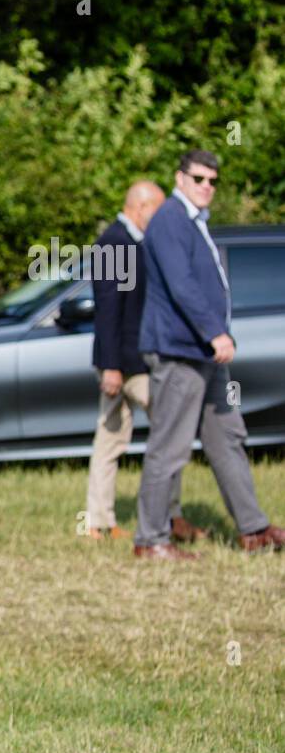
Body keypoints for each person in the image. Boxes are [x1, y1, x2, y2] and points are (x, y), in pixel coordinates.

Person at [133, 149, 285, 559]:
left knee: (227, 438)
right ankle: (151, 539)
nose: (207, 187)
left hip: (204, 353)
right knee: (170, 445)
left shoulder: (194, 222)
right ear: (179, 178)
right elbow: (181, 284)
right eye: (199, 178)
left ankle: (253, 528)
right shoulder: (169, 220)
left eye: (212, 181)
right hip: (180, 350)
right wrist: (215, 332)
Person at [83, 180, 206, 542]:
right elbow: (107, 311)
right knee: (120, 441)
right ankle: (102, 521)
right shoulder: (112, 243)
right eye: (159, 209)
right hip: (122, 366)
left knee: (163, 435)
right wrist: (111, 367)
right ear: (141, 207)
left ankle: (167, 516)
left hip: (139, 363)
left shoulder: (137, 242)